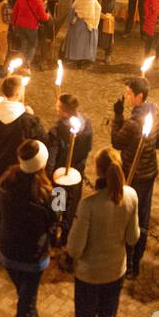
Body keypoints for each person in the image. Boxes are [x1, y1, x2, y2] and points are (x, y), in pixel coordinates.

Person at [64, 147, 138, 317]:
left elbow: (74, 248)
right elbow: (133, 238)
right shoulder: (130, 196)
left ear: (97, 172)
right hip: (114, 274)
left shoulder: (89, 205)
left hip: (88, 277)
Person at [0, 140, 60, 317]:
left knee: (27, 305)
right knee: (26, 309)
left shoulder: (6, 182)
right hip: (32, 259)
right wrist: (61, 190)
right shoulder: (46, 194)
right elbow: (55, 221)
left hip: (9, 254)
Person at [0, 75, 45, 269]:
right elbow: (42, 140)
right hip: (20, 173)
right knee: (19, 211)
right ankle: (8, 246)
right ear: (18, 93)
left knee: (0, 210)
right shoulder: (27, 120)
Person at [111, 75, 159, 278]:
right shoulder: (156, 112)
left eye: (129, 94)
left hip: (133, 174)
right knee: (143, 215)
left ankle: (130, 262)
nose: (127, 97)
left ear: (139, 96)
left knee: (130, 216)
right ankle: (137, 260)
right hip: (150, 172)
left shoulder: (133, 123)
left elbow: (116, 141)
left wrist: (117, 117)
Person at [45, 93, 92, 247]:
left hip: (60, 177)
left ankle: (53, 240)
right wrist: (79, 168)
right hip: (77, 173)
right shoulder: (87, 125)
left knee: (57, 208)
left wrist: (49, 177)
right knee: (71, 209)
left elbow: (52, 156)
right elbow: (87, 150)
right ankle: (65, 238)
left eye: (58, 106)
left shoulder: (58, 130)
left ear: (65, 111)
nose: (55, 108)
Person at [10, 0, 49, 66]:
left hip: (20, 25)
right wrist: (48, 15)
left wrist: (14, 24)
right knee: (32, 45)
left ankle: (22, 62)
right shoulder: (38, 0)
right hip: (31, 26)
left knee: (24, 43)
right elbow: (43, 17)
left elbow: (14, 12)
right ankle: (28, 62)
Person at [62, 0, 101, 68]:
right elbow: (98, 8)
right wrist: (93, 21)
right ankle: (83, 60)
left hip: (79, 23)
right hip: (88, 25)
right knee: (85, 44)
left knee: (77, 42)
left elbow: (73, 7)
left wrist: (75, 15)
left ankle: (75, 59)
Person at [93, 0, 119, 64]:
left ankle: (108, 54)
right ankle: (92, 53)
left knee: (108, 36)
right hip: (97, 13)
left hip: (108, 15)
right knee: (95, 33)